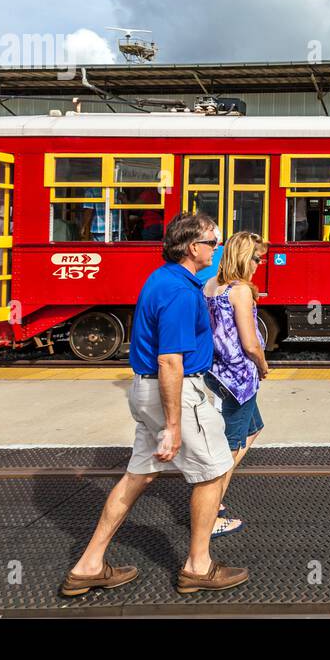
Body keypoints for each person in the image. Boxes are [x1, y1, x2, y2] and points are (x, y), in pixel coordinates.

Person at [60, 213, 248, 597]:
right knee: (213, 473)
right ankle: (198, 566)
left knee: (138, 476)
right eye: (213, 242)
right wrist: (174, 427)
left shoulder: (162, 278)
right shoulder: (179, 291)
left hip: (145, 392)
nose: (217, 249)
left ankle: (88, 565)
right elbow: (170, 361)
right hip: (178, 394)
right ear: (194, 247)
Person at [204, 232, 271, 538]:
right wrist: (262, 363)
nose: (260, 263)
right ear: (245, 257)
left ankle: (211, 501)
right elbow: (250, 342)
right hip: (239, 378)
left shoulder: (212, 285)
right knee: (231, 447)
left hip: (216, 372)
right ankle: (211, 510)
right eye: (257, 258)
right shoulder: (241, 291)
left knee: (253, 429)